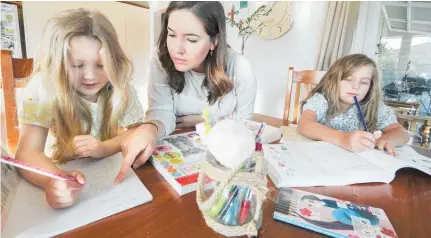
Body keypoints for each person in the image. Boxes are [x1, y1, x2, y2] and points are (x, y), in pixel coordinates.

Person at [115, 1, 257, 183]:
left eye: (191, 39)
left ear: (214, 41)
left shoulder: (240, 68)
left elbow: (243, 121)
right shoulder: (162, 58)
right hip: (176, 159)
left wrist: (205, 122)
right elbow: (161, 111)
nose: (176, 49)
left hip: (224, 160)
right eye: (171, 34)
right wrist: (149, 128)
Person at [15, 9, 145, 208]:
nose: (91, 76)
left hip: (108, 174)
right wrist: (54, 179)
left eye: (101, 65)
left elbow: (138, 132)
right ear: (57, 64)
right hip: (59, 167)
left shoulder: (120, 87)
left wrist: (103, 149)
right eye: (77, 65)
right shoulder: (44, 88)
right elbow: (27, 152)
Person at [297, 54, 409, 156]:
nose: (355, 87)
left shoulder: (373, 107)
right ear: (332, 81)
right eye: (348, 79)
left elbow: (402, 133)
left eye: (364, 82)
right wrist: (343, 138)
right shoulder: (322, 100)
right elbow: (304, 125)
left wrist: (386, 140)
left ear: (371, 87)